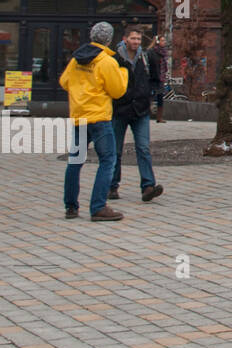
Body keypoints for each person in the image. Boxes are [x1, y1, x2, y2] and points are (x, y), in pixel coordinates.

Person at [59, 21, 129, 221]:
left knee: (75, 161)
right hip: (99, 117)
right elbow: (118, 91)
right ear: (108, 40)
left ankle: (71, 207)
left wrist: (80, 89)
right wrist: (123, 73)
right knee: (108, 161)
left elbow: (64, 82)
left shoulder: (76, 59)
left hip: (79, 117)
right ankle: (98, 207)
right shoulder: (106, 61)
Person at [110, 26, 164, 203]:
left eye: (139, 39)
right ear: (125, 39)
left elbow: (157, 80)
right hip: (120, 109)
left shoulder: (147, 58)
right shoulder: (115, 58)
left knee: (143, 148)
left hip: (140, 109)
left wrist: (150, 95)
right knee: (116, 150)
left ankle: (148, 186)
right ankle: (112, 186)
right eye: (133, 39)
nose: (136, 42)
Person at [147, 35, 167, 123]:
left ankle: (159, 117)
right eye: (162, 40)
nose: (164, 42)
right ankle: (145, 115)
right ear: (157, 42)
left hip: (161, 78)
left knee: (160, 98)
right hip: (153, 78)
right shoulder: (151, 52)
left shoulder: (163, 52)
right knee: (150, 97)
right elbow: (150, 65)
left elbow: (164, 65)